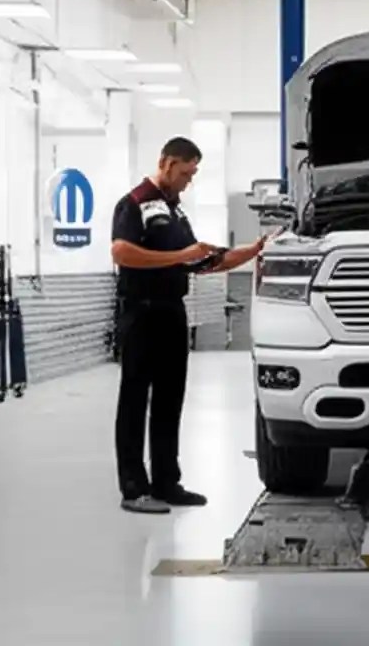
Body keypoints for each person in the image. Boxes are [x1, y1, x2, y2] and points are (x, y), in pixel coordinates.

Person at [110, 136, 271, 514]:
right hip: (141, 312)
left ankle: (167, 482)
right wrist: (182, 254)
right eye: (186, 172)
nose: (189, 180)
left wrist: (252, 251)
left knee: (169, 399)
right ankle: (134, 488)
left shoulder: (175, 211)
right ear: (166, 163)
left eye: (194, 173)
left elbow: (200, 262)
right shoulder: (134, 202)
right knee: (135, 401)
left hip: (171, 312)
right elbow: (121, 251)